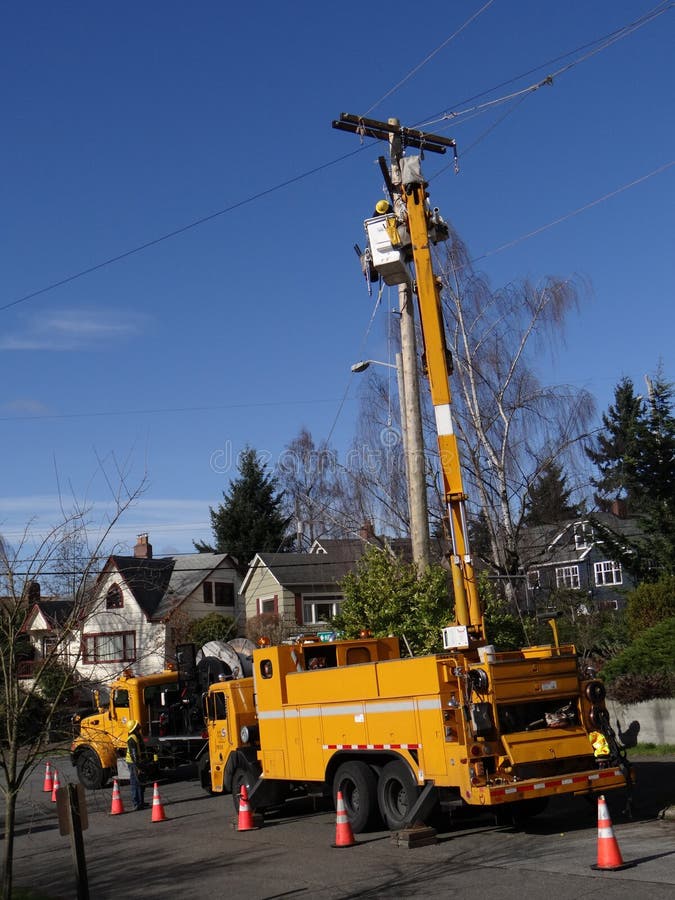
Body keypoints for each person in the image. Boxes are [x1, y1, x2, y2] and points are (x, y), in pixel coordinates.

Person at [126, 719, 149, 810]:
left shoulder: (138, 735)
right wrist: (138, 766)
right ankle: (136, 803)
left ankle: (141, 802)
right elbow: (133, 754)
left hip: (139, 762)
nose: (139, 726)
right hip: (133, 763)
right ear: (134, 728)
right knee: (136, 783)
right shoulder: (132, 738)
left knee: (141, 783)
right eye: (137, 725)